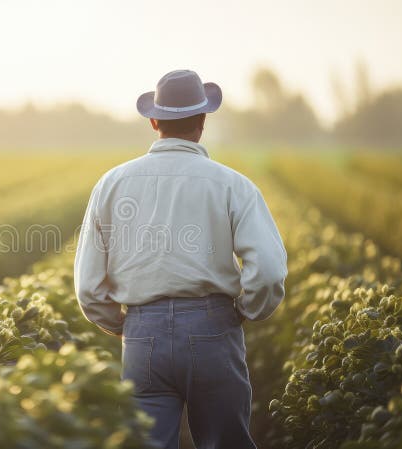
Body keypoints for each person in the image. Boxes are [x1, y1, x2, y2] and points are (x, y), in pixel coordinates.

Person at [73, 69, 288, 449]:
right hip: (214, 330)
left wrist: (128, 326)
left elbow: (88, 287)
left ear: (153, 121)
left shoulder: (112, 184)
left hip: (143, 336)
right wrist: (243, 311)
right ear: (203, 121)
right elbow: (269, 272)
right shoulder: (232, 184)